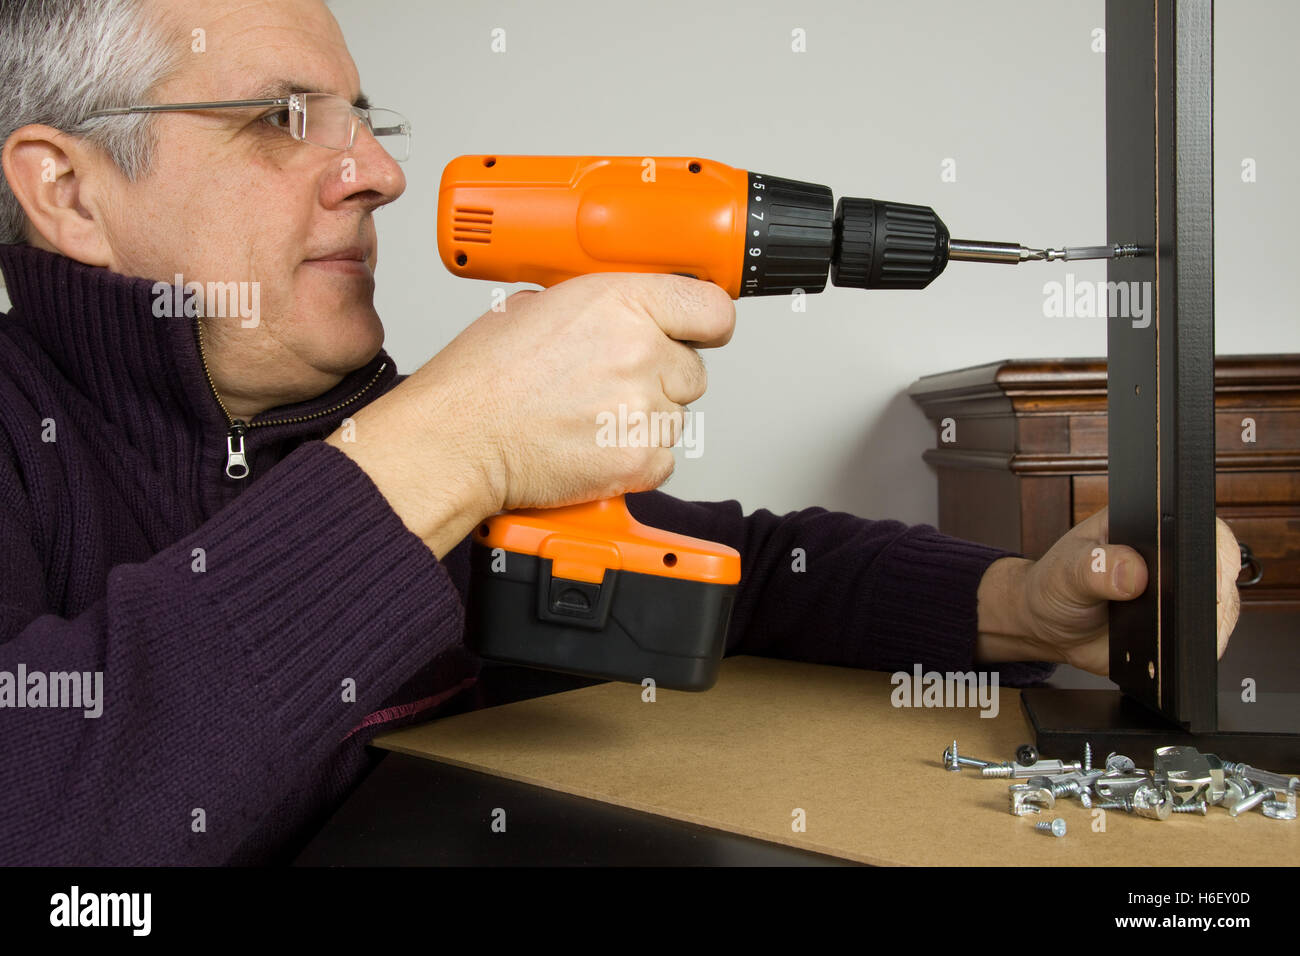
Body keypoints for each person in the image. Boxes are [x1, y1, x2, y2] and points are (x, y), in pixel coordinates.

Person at [0, 0, 1241, 865]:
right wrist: (440, 452)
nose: (375, 170)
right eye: (280, 115)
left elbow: (735, 576)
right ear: (67, 190)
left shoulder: (352, 425)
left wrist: (1022, 604)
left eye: (366, 119)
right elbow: (39, 814)